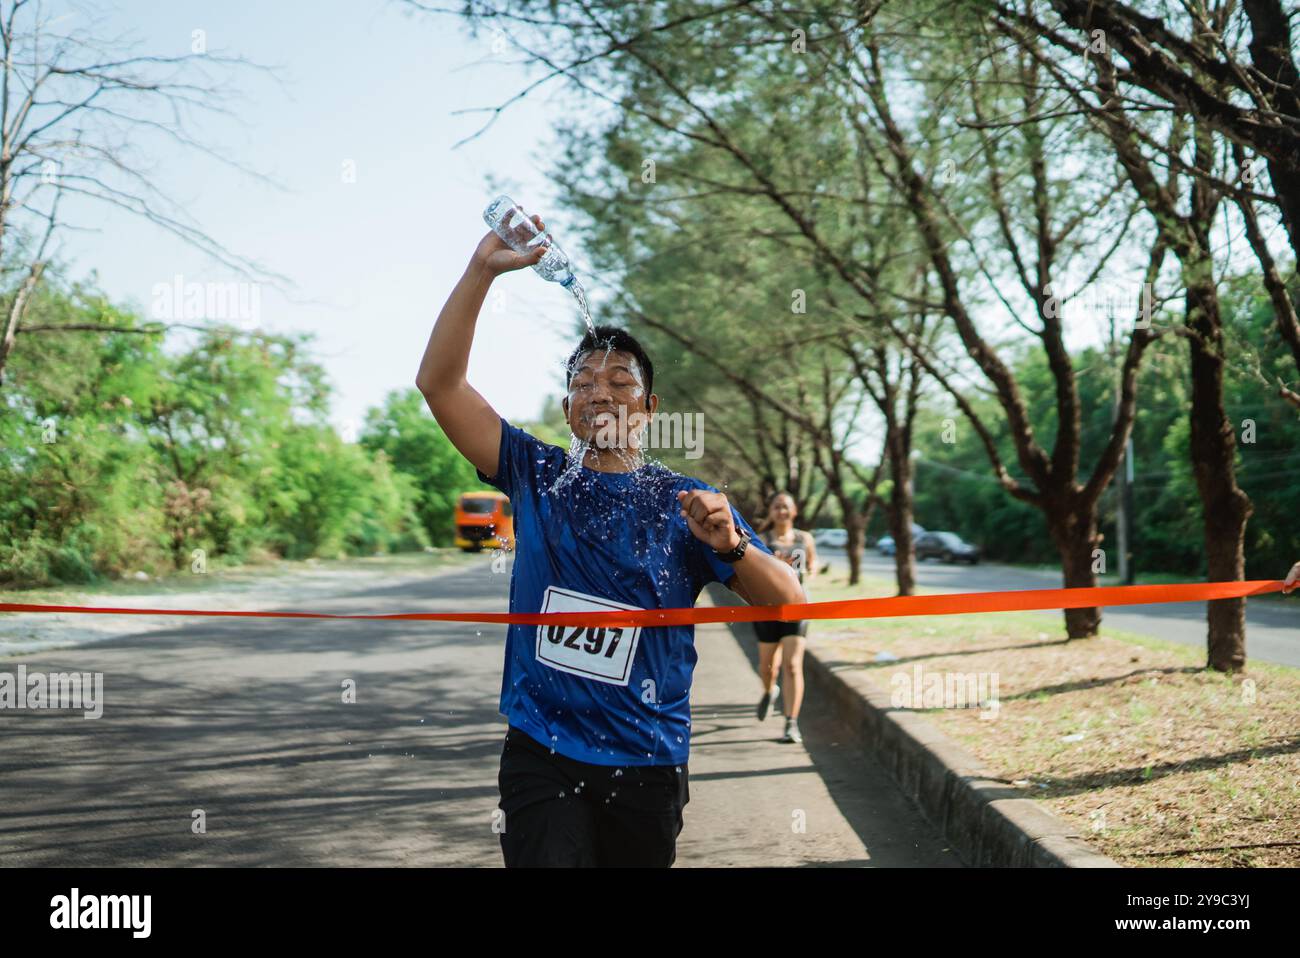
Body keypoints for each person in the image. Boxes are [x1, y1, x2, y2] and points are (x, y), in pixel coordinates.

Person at [414, 209, 805, 868]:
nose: (600, 391)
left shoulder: (687, 503)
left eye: (622, 382)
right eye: (583, 382)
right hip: (541, 750)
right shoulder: (535, 473)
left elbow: (788, 600)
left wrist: (732, 544)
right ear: (567, 409)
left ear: (650, 411)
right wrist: (482, 270)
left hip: (646, 757)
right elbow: (439, 384)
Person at [752, 492, 817, 744]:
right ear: (771, 512)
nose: (781, 511)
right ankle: (770, 690)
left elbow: (812, 565)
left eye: (786, 507)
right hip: (768, 610)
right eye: (777, 507)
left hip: (798, 609)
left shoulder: (805, 539)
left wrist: (807, 574)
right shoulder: (761, 540)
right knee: (769, 667)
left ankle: (791, 722)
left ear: (794, 511)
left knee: (792, 666)